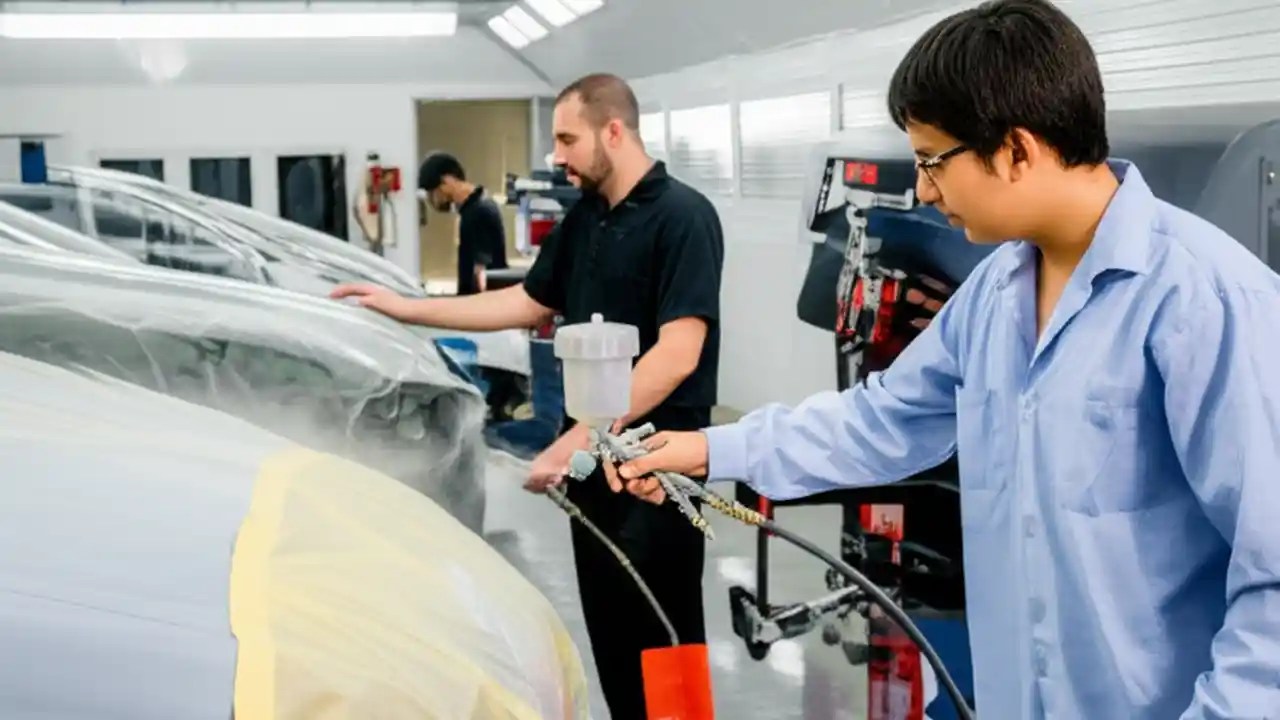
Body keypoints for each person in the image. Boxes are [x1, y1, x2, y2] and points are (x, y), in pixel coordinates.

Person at [611, 1, 1280, 719]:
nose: (924, 189)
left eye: (933, 161)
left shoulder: (1205, 301)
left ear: (1017, 150)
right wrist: (709, 450)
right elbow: (880, 421)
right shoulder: (995, 291)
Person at [332, 73, 724, 720]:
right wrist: (408, 308)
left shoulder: (683, 218)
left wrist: (578, 435)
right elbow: (525, 300)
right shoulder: (588, 218)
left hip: (661, 474)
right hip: (594, 480)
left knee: (667, 652)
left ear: (615, 131)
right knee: (616, 653)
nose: (558, 156)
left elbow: (677, 356)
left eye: (568, 138)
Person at [417, 151, 509, 295]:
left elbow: (482, 271)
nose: (432, 201)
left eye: (432, 193)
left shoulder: (479, 212)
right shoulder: (473, 209)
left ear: (447, 181)